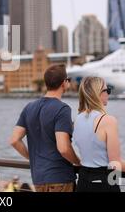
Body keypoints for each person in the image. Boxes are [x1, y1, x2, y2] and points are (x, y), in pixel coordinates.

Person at [10, 64, 80, 192]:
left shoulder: (29, 107)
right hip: (60, 178)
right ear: (64, 83)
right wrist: (78, 161)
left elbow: (14, 140)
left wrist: (32, 158)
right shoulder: (62, 109)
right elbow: (63, 148)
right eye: (68, 80)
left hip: (38, 178)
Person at [73, 77, 125, 192]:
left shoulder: (78, 119)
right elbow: (115, 163)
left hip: (82, 181)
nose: (108, 93)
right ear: (98, 93)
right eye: (107, 90)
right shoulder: (108, 120)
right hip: (103, 181)